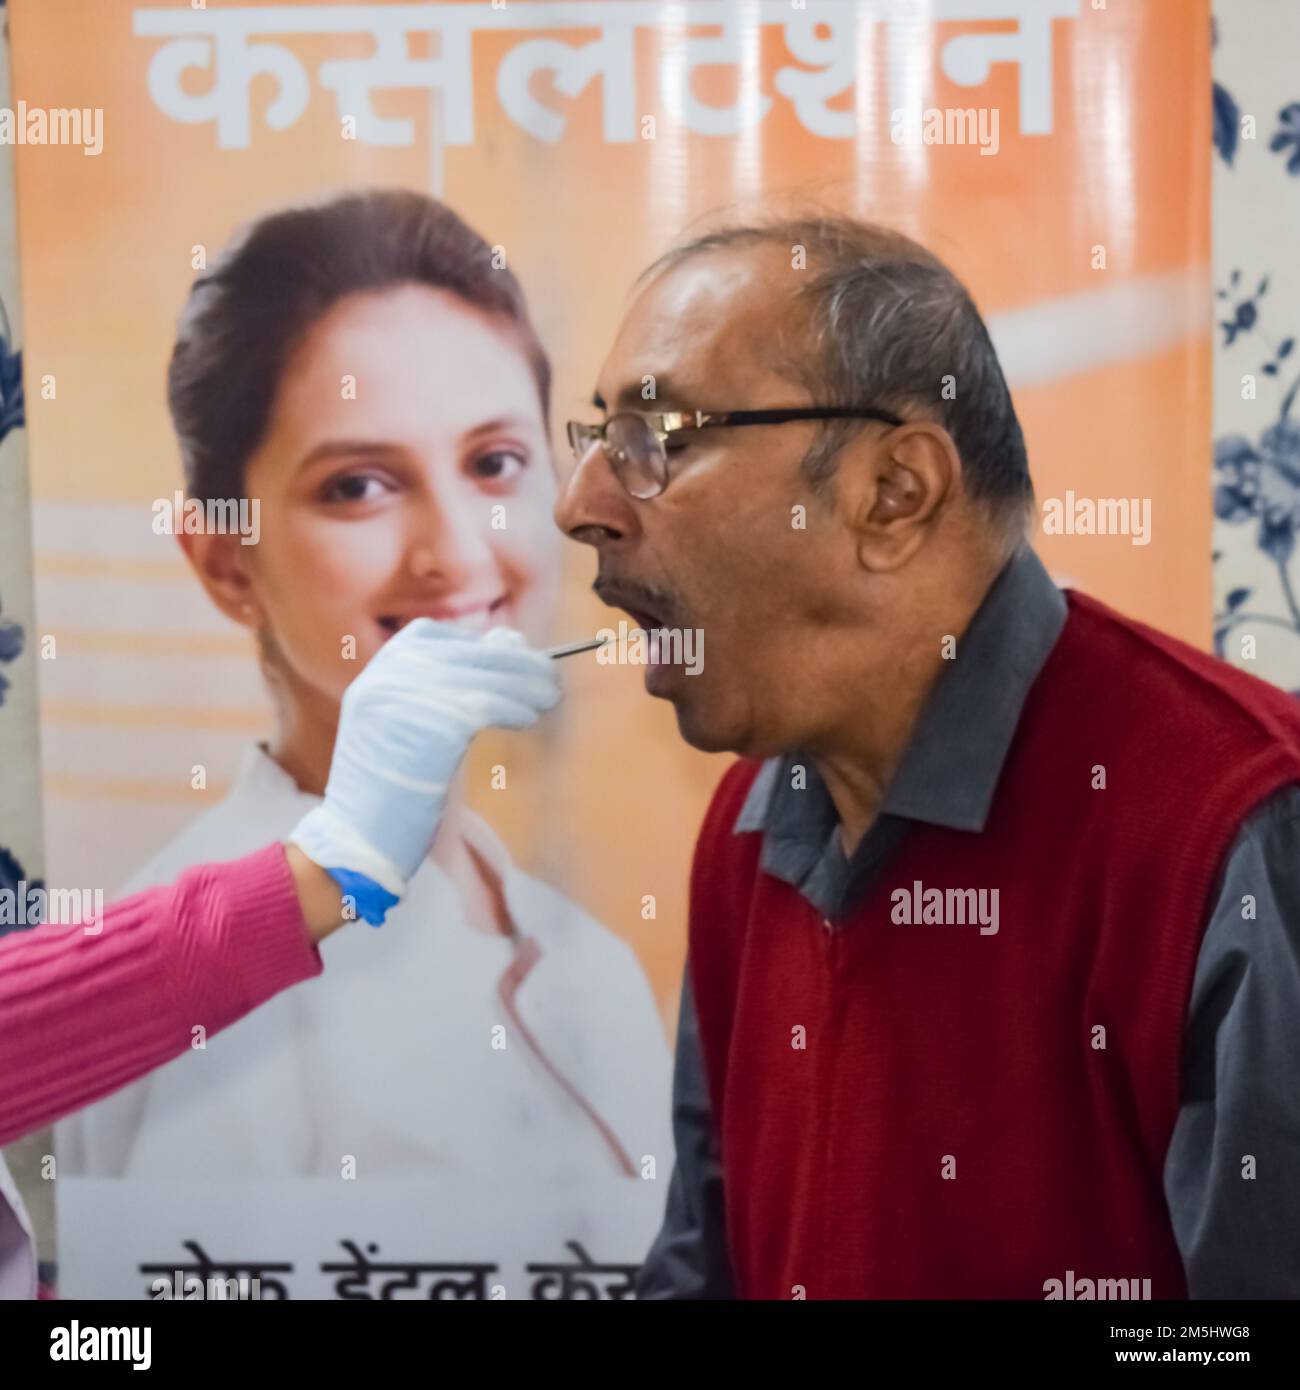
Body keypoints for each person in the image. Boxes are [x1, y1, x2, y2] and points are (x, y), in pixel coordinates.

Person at [555, 216, 1300, 1299]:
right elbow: (705, 1269)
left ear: (894, 493)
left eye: (658, 433)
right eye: (597, 436)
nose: (583, 506)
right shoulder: (749, 827)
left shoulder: (1228, 830)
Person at [56, 191, 671, 1291]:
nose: (449, 552)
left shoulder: (593, 963)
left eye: (493, 464)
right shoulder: (197, 998)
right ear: (224, 562)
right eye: (359, 485)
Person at [0, 615, 559, 1297]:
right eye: (351, 498)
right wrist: (326, 871)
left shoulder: (586, 956)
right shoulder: (182, 894)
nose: (451, 556)